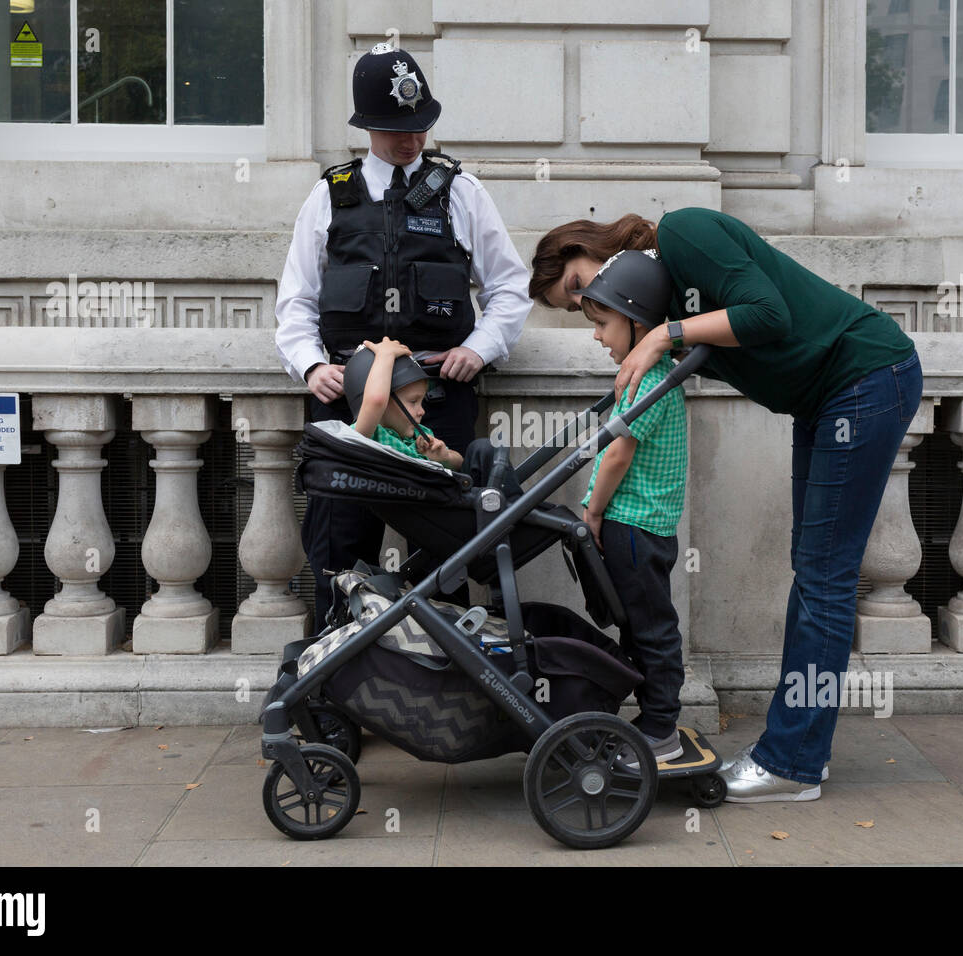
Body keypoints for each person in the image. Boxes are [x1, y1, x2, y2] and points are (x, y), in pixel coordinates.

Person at [530, 207, 923, 802]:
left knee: (825, 578)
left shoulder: (685, 233)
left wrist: (663, 333)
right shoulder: (671, 304)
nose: (597, 307)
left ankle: (793, 763)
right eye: (580, 308)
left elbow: (770, 314)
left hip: (864, 376)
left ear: (591, 245)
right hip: (826, 401)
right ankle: (797, 753)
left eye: (583, 287)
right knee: (815, 571)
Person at [274, 42, 531, 629]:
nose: (409, 141)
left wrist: (479, 348)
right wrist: (312, 367)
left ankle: (444, 692)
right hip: (346, 412)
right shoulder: (329, 197)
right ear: (366, 126)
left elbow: (510, 289)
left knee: (446, 556)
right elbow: (295, 303)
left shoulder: (461, 192)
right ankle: (335, 694)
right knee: (339, 553)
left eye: (418, 127)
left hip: (437, 404)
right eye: (395, 130)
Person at [575, 250, 688, 766]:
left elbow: (618, 452)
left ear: (637, 321)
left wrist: (592, 512)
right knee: (639, 625)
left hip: (632, 525)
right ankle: (650, 716)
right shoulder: (644, 374)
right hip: (638, 526)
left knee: (652, 628)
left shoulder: (649, 379)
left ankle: (662, 726)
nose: (597, 336)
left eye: (602, 324)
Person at [344, 337, 523, 496]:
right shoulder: (365, 436)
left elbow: (461, 464)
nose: (422, 411)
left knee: (483, 449)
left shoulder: (417, 436)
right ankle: (517, 516)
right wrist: (385, 355)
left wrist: (444, 457)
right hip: (443, 509)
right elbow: (375, 401)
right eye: (413, 402)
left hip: (457, 499)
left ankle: (515, 511)